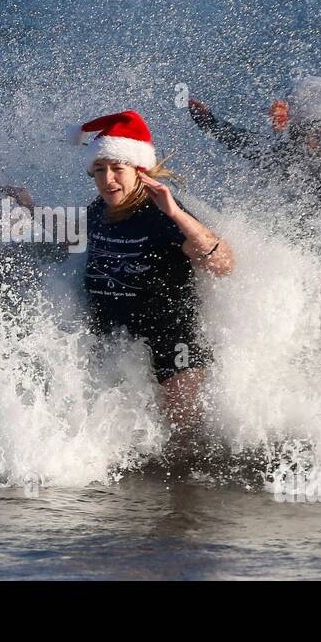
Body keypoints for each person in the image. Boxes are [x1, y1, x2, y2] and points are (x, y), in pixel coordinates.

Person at [77, 110, 234, 466]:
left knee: (184, 445)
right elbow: (73, 237)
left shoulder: (162, 213)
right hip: (117, 338)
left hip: (171, 338)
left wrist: (176, 214)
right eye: (100, 170)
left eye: (118, 169)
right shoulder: (100, 208)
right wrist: (30, 210)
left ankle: (188, 511)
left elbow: (223, 264)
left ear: (138, 170)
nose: (108, 179)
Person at [188, 75, 321, 214]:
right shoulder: (290, 158)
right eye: (297, 135)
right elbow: (245, 144)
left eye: (315, 135)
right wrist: (211, 124)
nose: (306, 144)